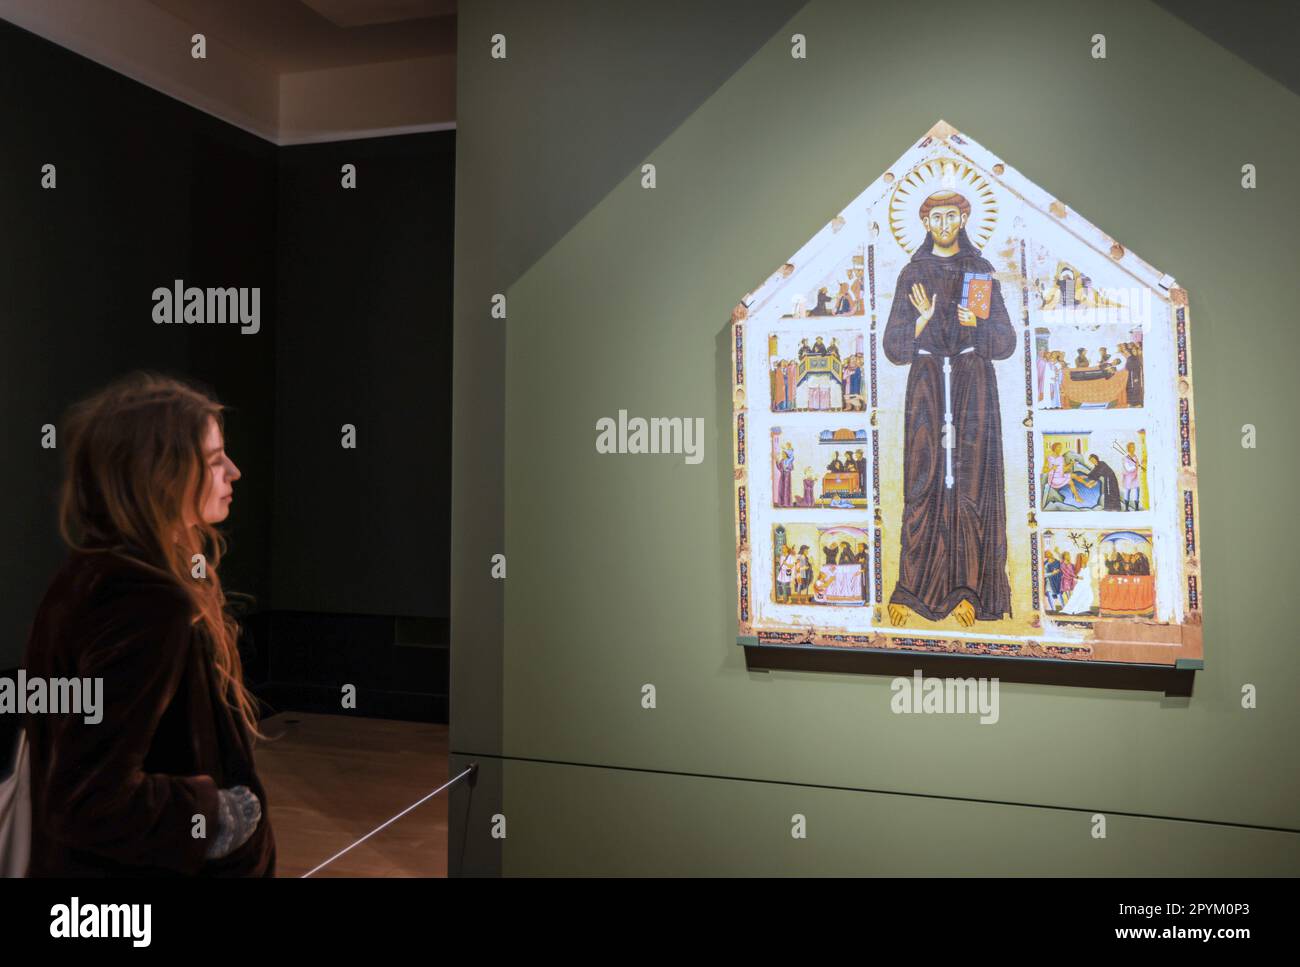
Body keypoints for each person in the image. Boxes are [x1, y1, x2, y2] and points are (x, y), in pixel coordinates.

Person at [21, 372, 275, 877]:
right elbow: (87, 798)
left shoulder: (91, 574)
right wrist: (216, 816)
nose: (235, 471)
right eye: (212, 460)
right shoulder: (142, 599)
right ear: (160, 475)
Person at [882, 189, 1016, 628]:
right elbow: (894, 347)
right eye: (935, 217)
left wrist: (974, 323)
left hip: (970, 380)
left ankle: (969, 592)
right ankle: (914, 590)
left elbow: (1005, 342)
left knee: (970, 483)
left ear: (963, 219)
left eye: (951, 216)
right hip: (926, 385)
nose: (943, 225)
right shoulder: (913, 273)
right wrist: (920, 321)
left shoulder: (977, 271)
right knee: (924, 480)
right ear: (924, 223)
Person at [1121, 441, 1142, 510]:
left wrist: (1137, 465)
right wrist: (1135, 466)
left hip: (1135, 476)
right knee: (1128, 490)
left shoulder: (1135, 456)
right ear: (1128, 448)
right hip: (1128, 477)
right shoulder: (1126, 457)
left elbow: (1137, 465)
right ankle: (1126, 508)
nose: (1134, 448)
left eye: (1134, 447)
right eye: (1132, 447)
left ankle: (1136, 507)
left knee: (1137, 489)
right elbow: (1128, 469)